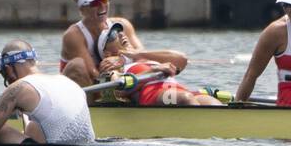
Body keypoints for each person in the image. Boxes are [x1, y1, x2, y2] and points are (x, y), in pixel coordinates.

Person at [0, 40, 95, 144]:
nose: (7, 81)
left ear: (9, 70)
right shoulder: (70, 83)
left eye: (4, 74)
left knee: (0, 130)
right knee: (32, 126)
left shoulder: (17, 89)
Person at [95, 24, 223, 106]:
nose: (121, 34)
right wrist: (154, 70)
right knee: (186, 98)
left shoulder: (141, 58)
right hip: (153, 95)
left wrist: (138, 54)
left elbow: (181, 59)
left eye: (120, 31)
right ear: (106, 53)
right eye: (113, 35)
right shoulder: (111, 66)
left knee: (213, 104)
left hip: (177, 89)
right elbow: (115, 90)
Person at [59, 0, 146, 86]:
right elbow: (94, 75)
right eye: (95, 3)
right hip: (86, 84)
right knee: (79, 65)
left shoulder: (123, 25)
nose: (102, 5)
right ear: (82, 9)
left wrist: (121, 60)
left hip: (113, 78)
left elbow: (141, 55)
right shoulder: (73, 36)